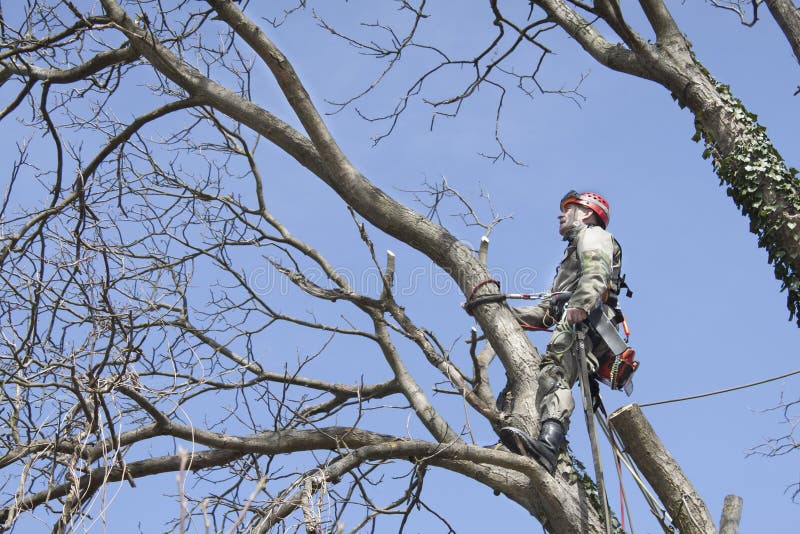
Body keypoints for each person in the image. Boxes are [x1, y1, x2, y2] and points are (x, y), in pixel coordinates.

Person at [499, 190, 625, 475]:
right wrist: (499, 311)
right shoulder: (572, 252)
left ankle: (548, 446)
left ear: (588, 213)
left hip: (588, 323)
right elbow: (546, 314)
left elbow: (596, 270)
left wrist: (580, 304)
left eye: (569, 208)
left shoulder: (592, 235)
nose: (560, 213)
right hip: (581, 322)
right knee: (546, 376)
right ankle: (538, 440)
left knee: (553, 373)